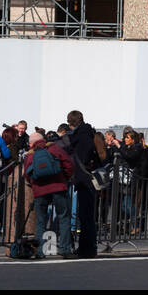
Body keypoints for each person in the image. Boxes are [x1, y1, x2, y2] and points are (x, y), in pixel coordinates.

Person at [24, 130, 75, 257]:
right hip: (58, 187)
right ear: (44, 140)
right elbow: (69, 164)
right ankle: (65, 248)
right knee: (63, 217)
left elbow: (27, 175)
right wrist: (64, 178)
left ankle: (40, 251)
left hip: (40, 190)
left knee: (40, 221)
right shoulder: (55, 149)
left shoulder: (30, 155)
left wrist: (34, 184)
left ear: (31, 144)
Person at [65, 110, 99, 258]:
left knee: (85, 215)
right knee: (87, 215)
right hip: (89, 178)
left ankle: (87, 248)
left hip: (83, 178)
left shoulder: (80, 136)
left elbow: (81, 157)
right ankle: (89, 247)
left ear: (70, 123)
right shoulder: (90, 133)